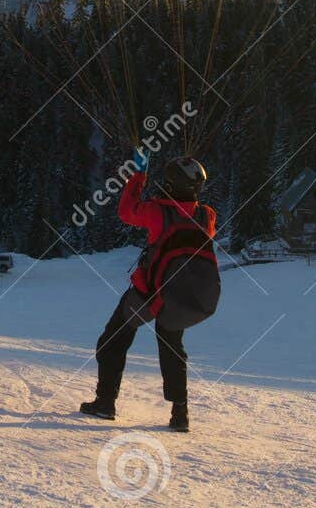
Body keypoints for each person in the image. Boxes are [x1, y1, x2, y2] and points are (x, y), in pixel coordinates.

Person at [80, 150, 219, 433]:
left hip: (148, 293)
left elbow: (126, 211)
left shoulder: (157, 211)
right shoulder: (207, 216)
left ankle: (106, 403)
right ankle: (180, 415)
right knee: (172, 349)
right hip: (180, 295)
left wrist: (138, 175)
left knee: (113, 340)